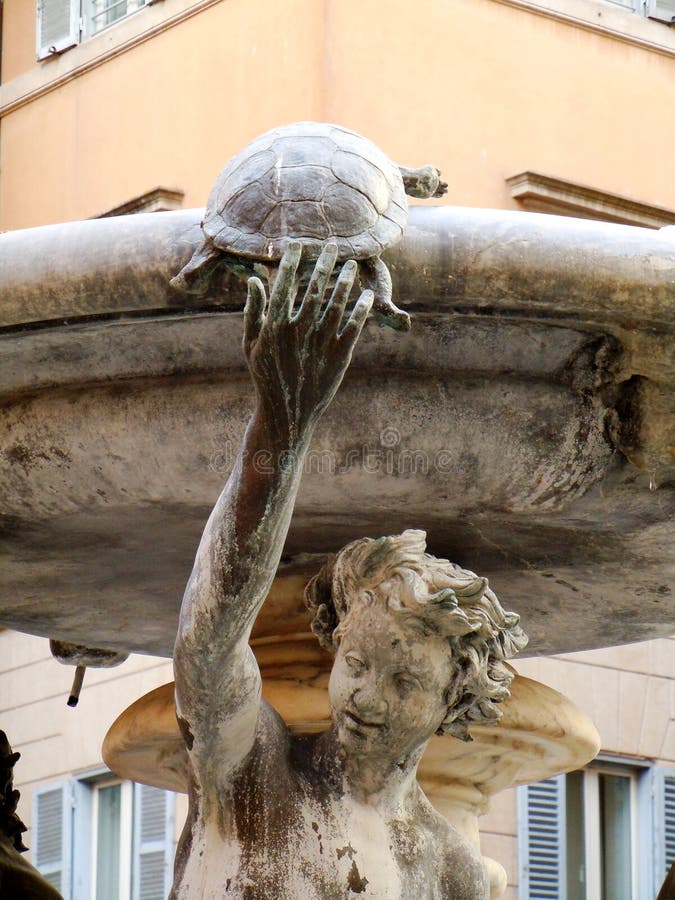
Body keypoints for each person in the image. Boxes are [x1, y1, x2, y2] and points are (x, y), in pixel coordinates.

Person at [171, 243, 526, 899]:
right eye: (357, 664)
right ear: (334, 647)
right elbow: (209, 637)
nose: (365, 696)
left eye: (404, 680)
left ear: (453, 698)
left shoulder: (451, 872)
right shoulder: (252, 773)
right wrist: (280, 428)